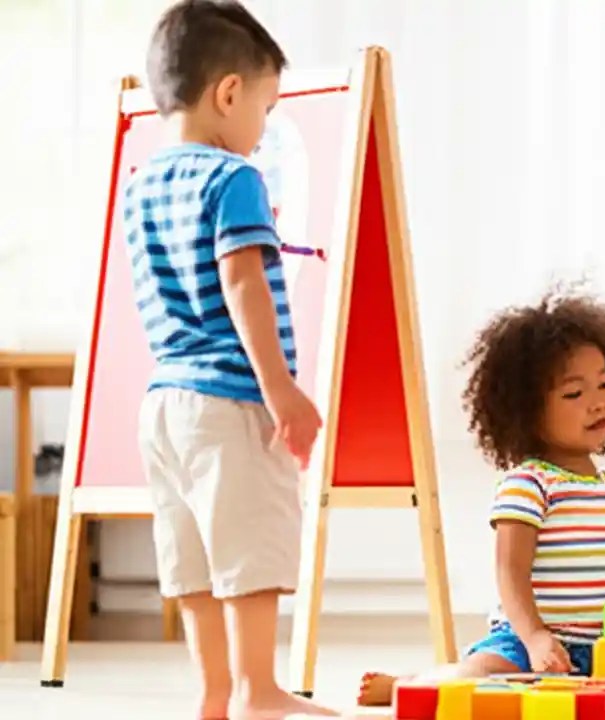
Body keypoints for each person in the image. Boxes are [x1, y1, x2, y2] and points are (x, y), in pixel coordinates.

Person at [124, 2, 335, 718]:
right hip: (229, 397)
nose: (263, 131)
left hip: (163, 404)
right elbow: (242, 279)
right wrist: (280, 390)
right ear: (228, 94)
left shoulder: (141, 184)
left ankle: (215, 693)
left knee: (193, 559)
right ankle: (259, 691)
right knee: (250, 551)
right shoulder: (233, 178)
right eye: (265, 109)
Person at [357, 286, 605, 706]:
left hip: (599, 645)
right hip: (526, 640)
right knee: (482, 680)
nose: (598, 402)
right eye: (573, 393)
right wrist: (536, 638)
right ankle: (412, 684)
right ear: (526, 410)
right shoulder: (529, 484)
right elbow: (510, 572)